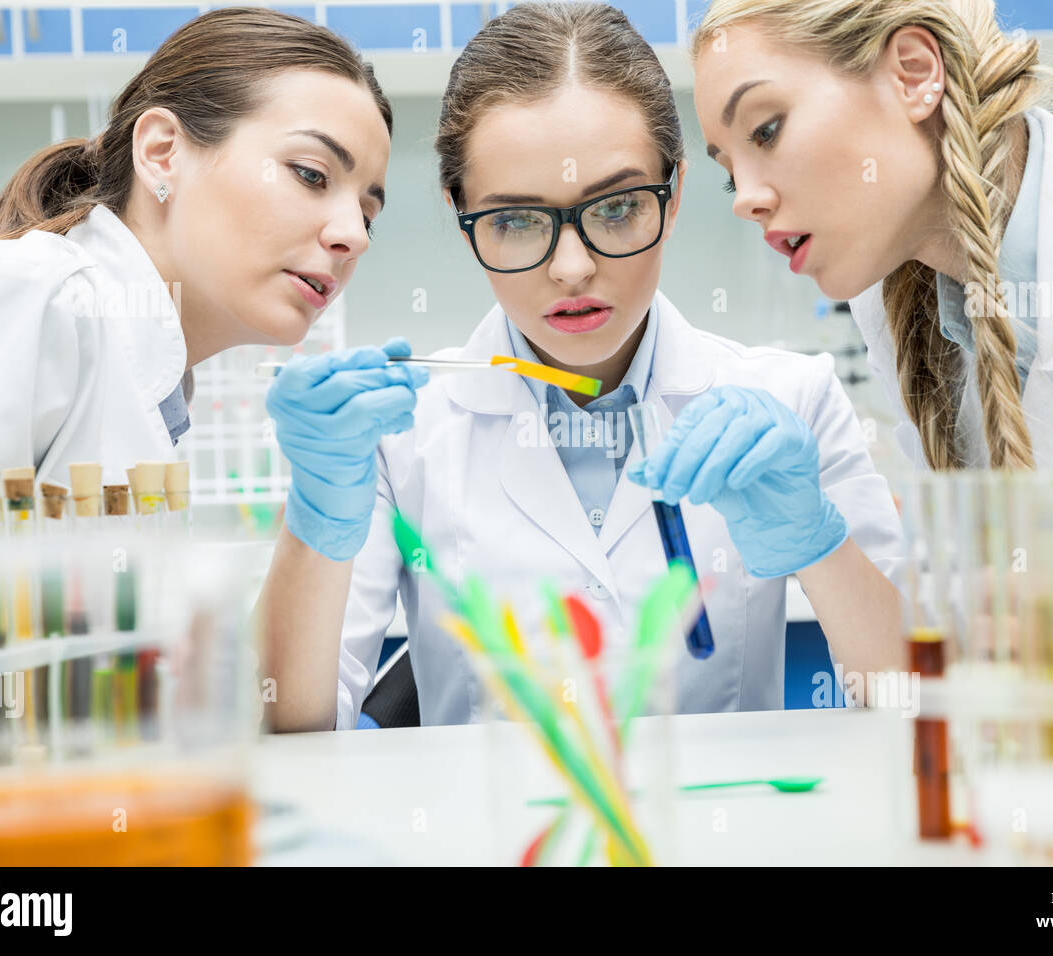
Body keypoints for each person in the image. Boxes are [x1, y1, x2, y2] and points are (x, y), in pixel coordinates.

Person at [259, 2, 905, 732]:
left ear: (676, 190)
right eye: (512, 221)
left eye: (618, 208)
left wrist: (817, 545)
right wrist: (311, 524)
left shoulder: (794, 400)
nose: (572, 267)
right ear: (459, 210)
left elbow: (916, 701)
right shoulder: (396, 435)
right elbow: (290, 730)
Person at [691, 0, 1053, 471]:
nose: (745, 200)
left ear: (915, 74)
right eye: (730, 173)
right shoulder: (889, 306)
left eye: (766, 130)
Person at [0, 7, 414, 489]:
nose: (354, 238)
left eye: (369, 216)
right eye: (311, 174)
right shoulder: (31, 298)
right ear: (162, 153)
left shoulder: (154, 380)